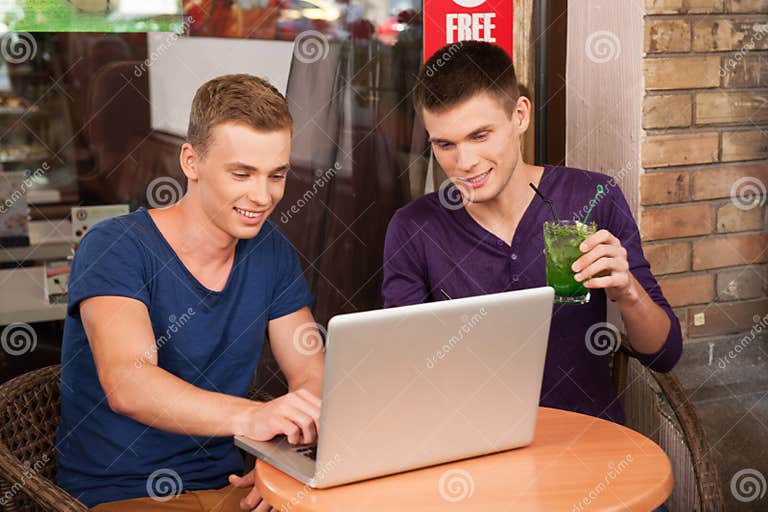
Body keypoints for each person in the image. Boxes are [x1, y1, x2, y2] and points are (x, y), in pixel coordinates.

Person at [56, 74, 324, 512]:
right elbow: (129, 383)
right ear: (191, 161)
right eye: (242, 173)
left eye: (276, 175)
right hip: (124, 492)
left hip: (233, 484)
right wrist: (253, 416)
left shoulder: (270, 250)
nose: (262, 196)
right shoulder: (114, 246)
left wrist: (281, 462)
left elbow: (312, 376)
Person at [382, 41, 682, 426]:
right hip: (469, 449)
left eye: (480, 135)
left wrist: (628, 293)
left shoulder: (593, 198)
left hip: (588, 443)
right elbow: (403, 372)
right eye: (445, 144)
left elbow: (665, 354)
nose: (465, 163)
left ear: (519, 115)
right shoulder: (413, 228)